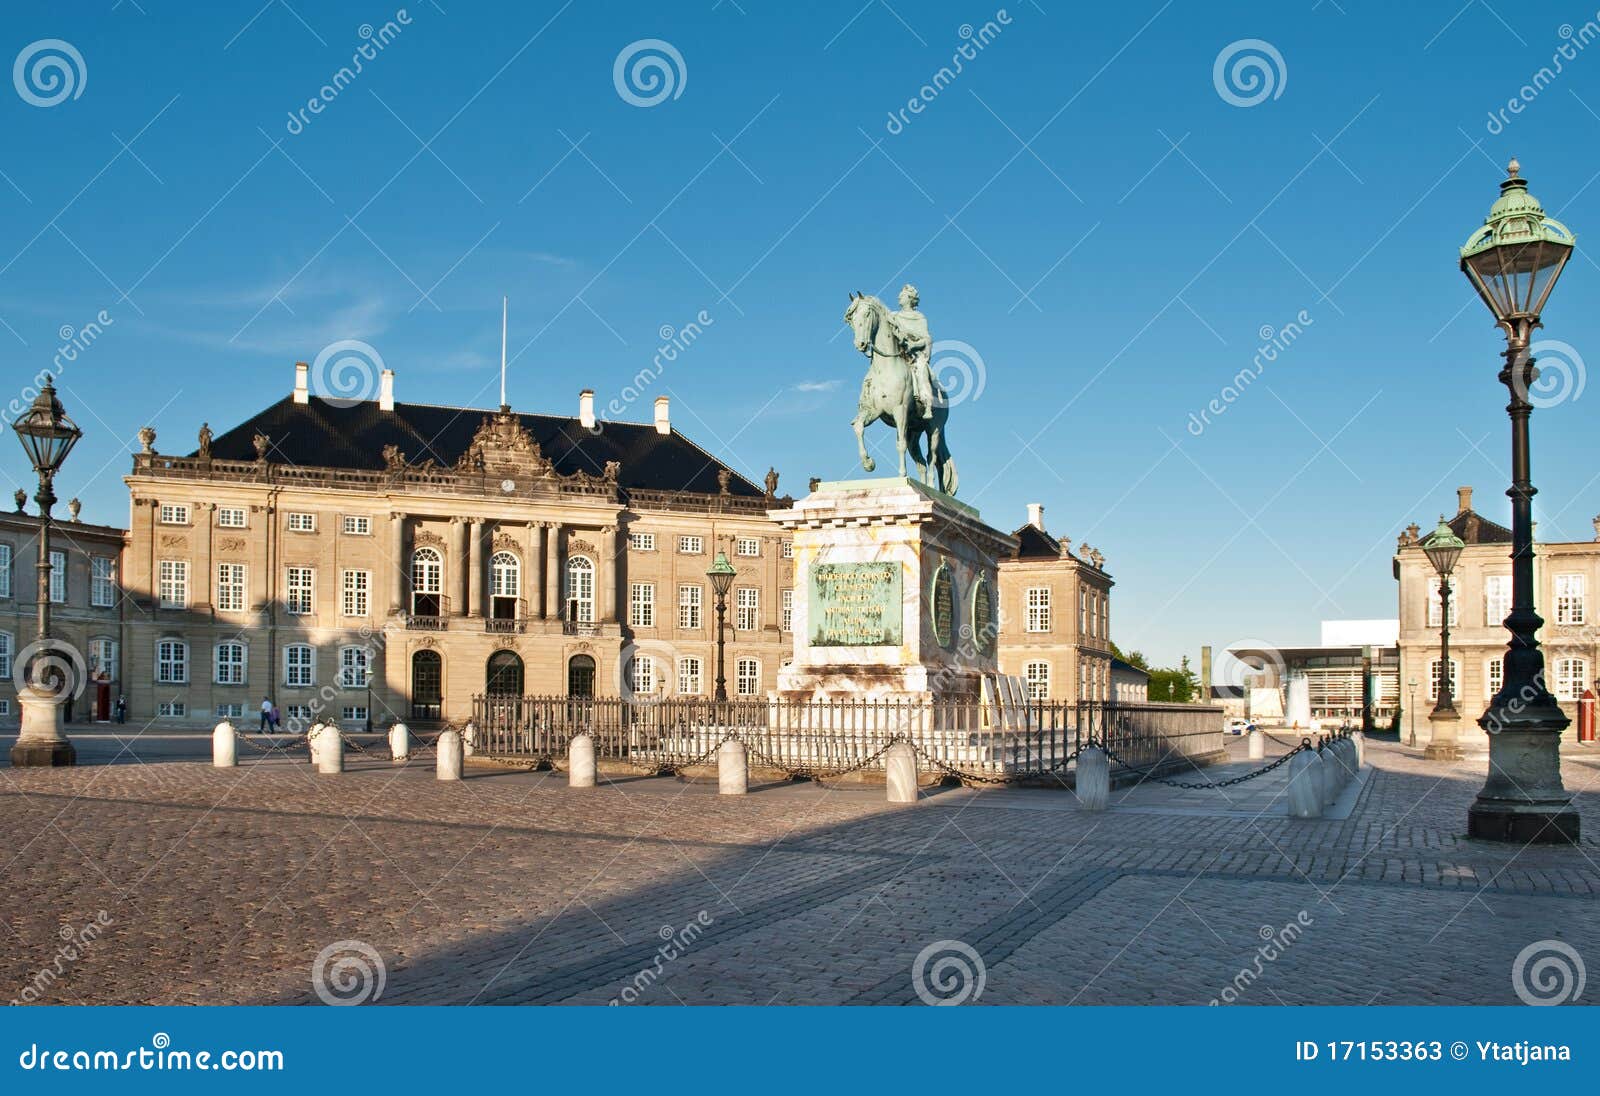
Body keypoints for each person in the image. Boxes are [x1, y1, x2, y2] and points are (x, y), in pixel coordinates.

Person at [888, 283, 934, 419]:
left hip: (914, 355)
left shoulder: (919, 317)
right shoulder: (893, 316)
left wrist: (913, 345)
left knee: (922, 371)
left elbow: (927, 339)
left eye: (901, 295)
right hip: (897, 354)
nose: (898, 297)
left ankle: (927, 404)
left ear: (910, 298)